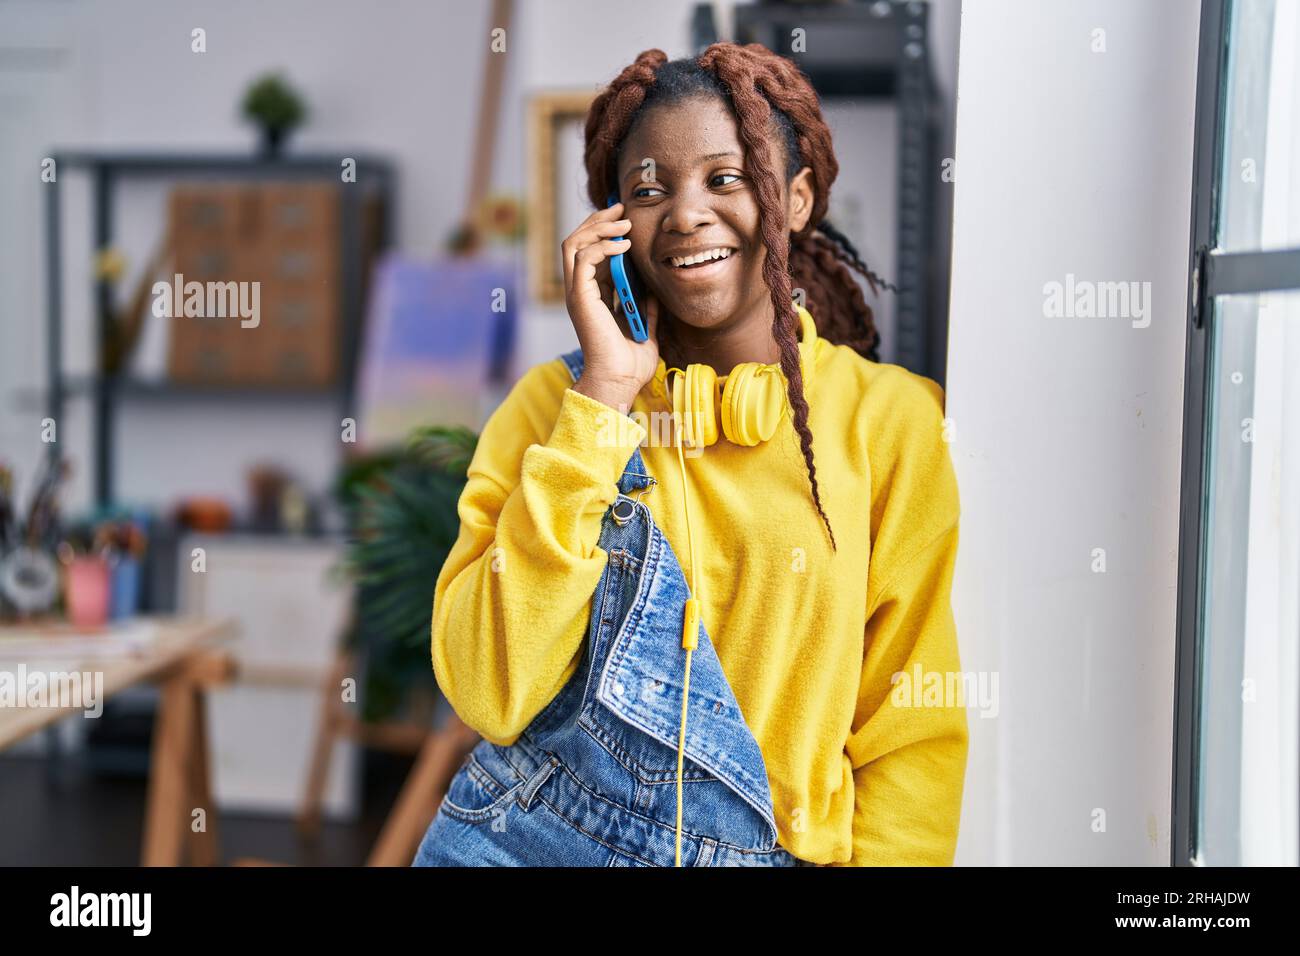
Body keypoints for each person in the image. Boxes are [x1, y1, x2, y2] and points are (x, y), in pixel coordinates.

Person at [413, 42, 966, 867]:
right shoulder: (555, 410)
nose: (684, 214)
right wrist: (602, 405)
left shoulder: (890, 424)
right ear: (612, 227)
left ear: (799, 199)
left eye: (725, 177)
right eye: (647, 189)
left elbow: (909, 726)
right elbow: (489, 690)